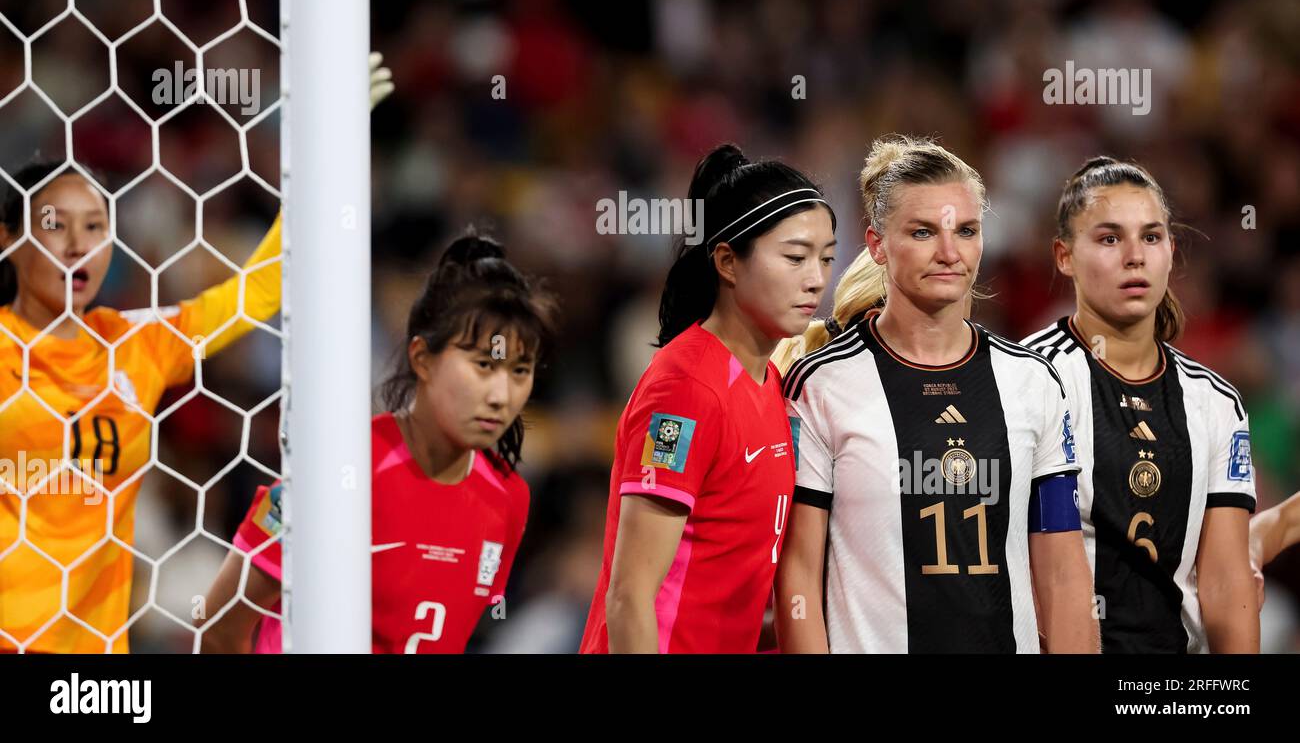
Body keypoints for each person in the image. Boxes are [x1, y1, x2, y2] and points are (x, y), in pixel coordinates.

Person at [0, 54, 390, 653]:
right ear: (10, 239)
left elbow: (260, 287)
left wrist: (330, 145)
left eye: (96, 226)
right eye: (55, 224)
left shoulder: (136, 343)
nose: (78, 246)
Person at [776, 135, 1098, 653]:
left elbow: (1063, 573)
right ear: (877, 244)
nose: (949, 252)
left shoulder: (1032, 382)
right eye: (923, 232)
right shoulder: (821, 385)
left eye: (966, 231)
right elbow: (798, 579)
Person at [201, 230, 555, 653]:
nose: (501, 395)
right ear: (422, 358)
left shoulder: (509, 498)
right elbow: (219, 624)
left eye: (519, 371)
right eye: (483, 365)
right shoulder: (338, 469)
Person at [580, 144, 837, 653]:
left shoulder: (770, 385)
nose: (815, 279)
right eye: (794, 257)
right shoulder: (686, 389)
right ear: (727, 261)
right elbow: (630, 597)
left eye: (827, 258)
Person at [1023, 157, 1258, 653]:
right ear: (1064, 256)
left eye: (1151, 237)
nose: (1135, 256)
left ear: (1172, 251)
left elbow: (1224, 581)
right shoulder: (1027, 380)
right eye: (1109, 239)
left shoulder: (1215, 402)